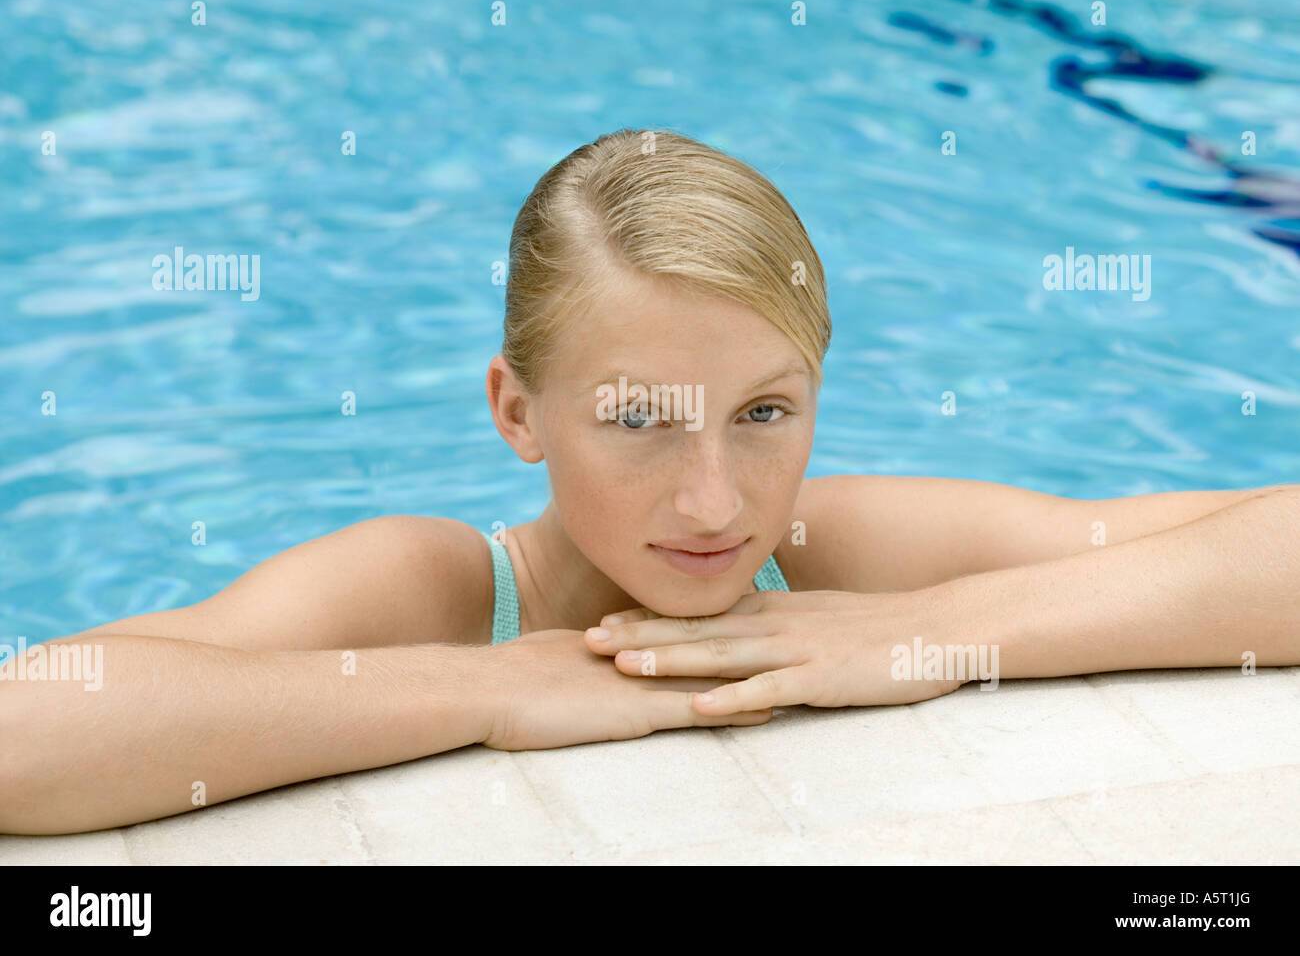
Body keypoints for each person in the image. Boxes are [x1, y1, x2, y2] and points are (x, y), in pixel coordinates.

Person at [3, 128, 1296, 835]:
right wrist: (487, 685)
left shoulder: (832, 555)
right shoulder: (439, 588)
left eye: (765, 411)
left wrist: (930, 630)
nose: (719, 503)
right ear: (517, 408)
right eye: (638, 421)